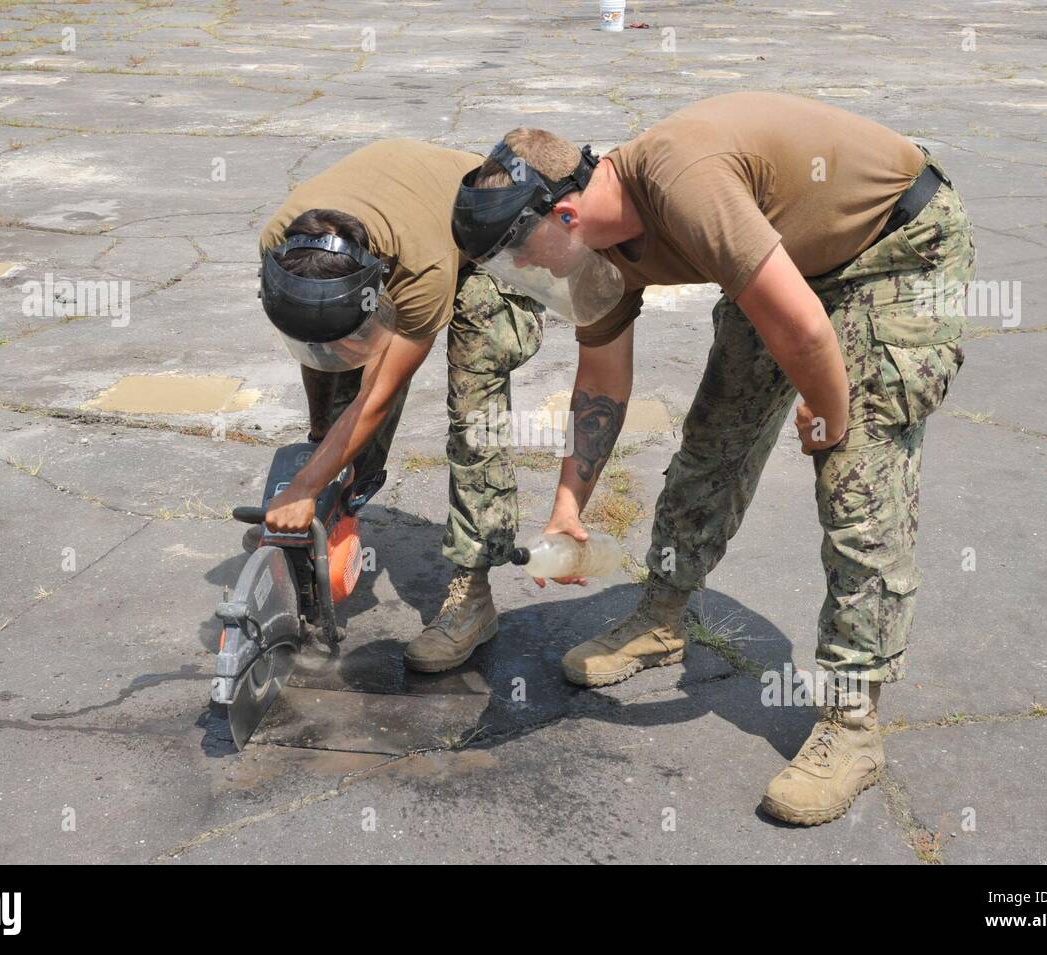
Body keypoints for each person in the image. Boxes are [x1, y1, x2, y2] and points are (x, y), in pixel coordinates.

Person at [452, 92, 975, 825]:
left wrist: (826, 410)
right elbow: (602, 382)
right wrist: (568, 508)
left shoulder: (682, 181)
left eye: (524, 256)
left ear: (564, 216)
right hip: (788, 261)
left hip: (894, 249)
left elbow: (805, 332)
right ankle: (662, 617)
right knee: (712, 446)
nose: (530, 274)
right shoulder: (601, 245)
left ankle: (853, 723)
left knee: (858, 479)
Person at [258, 139, 544, 673]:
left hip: (489, 229)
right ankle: (325, 538)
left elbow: (379, 394)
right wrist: (321, 446)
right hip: (396, 224)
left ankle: (473, 594)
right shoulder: (282, 246)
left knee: (475, 404)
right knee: (340, 375)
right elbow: (319, 347)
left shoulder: (422, 268)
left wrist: (304, 487)